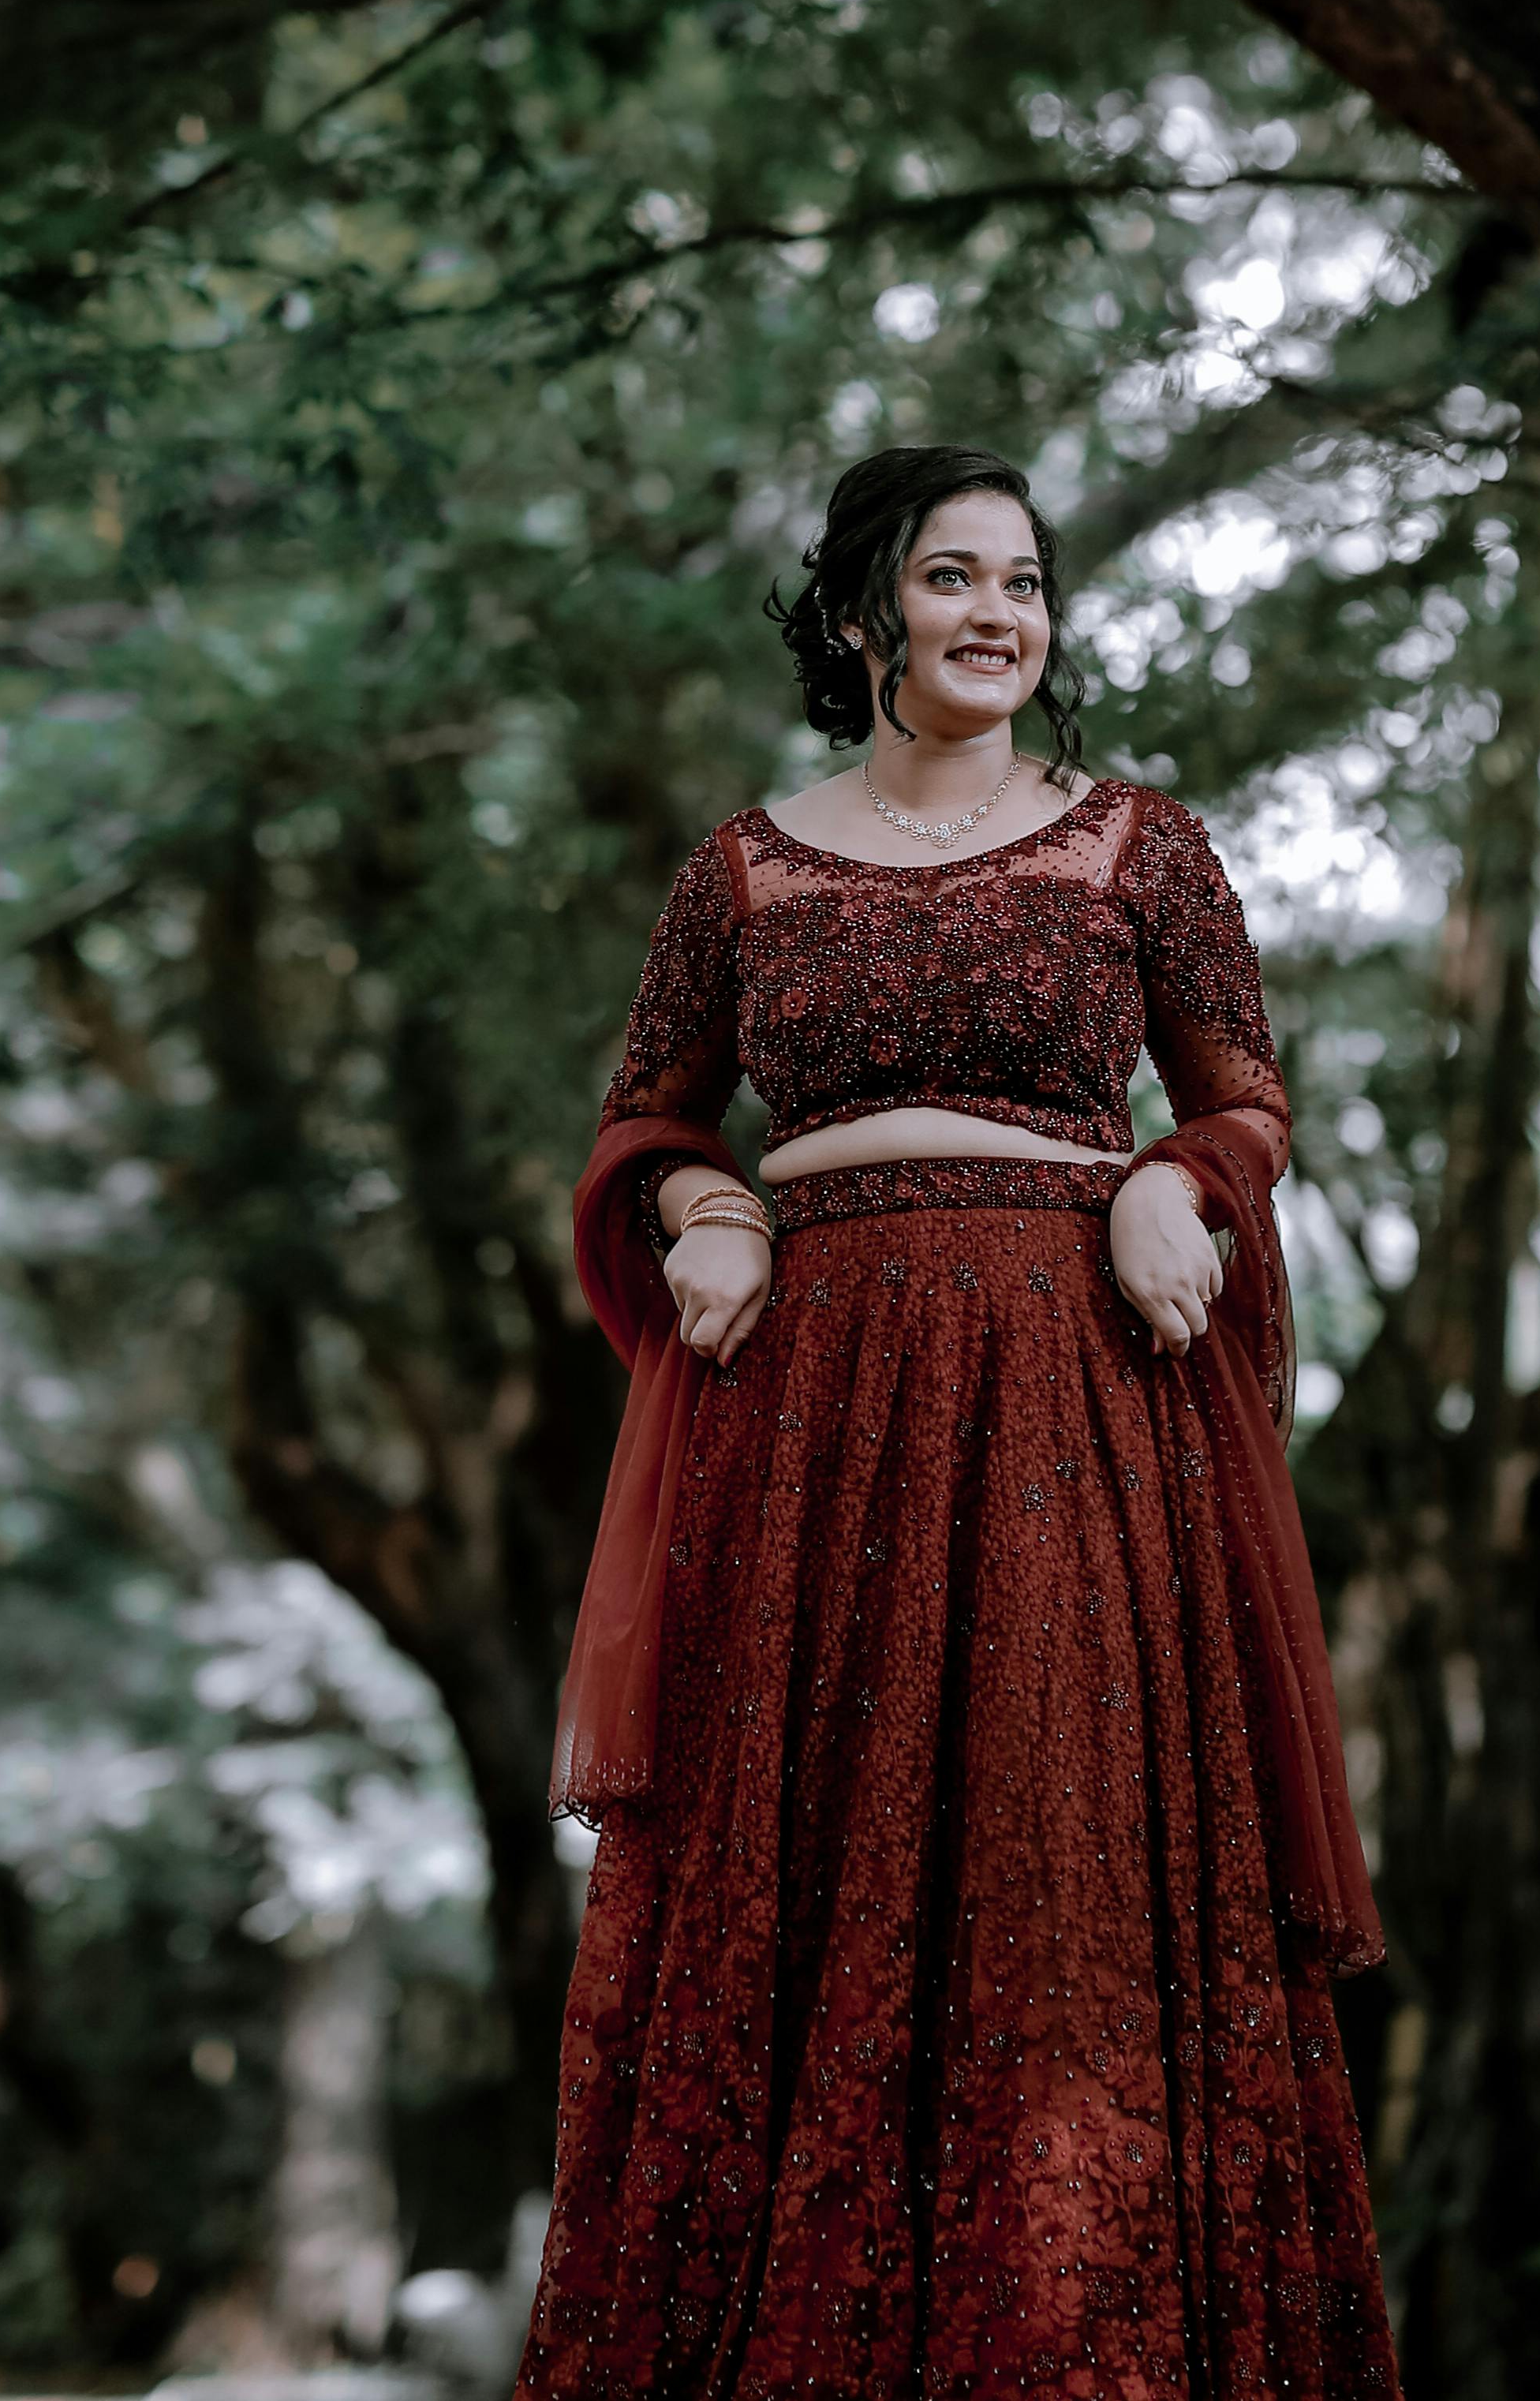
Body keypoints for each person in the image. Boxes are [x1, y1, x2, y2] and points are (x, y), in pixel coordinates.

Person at [516, 444, 1402, 2399]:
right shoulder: (740, 867)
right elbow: (645, 1119)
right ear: (861, 615)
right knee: (802, 1862)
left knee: (1055, 1856)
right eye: (950, 576)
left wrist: (1180, 1180)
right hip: (811, 1415)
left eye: (1024, 579)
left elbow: (1247, 1095)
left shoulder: (1140, 846)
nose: (997, 610)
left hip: (1063, 1398)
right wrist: (710, 1202)